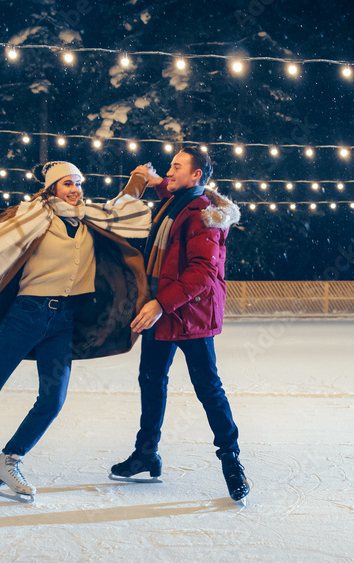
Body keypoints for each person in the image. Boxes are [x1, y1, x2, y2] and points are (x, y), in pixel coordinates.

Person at [0, 161, 155, 498]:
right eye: (67, 183)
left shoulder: (92, 221)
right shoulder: (33, 220)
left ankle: (9, 461)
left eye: (78, 183)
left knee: (52, 401)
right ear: (52, 188)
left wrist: (139, 178)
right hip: (25, 316)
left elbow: (123, 204)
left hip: (63, 322)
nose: (75, 189)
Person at [110, 147, 250, 502]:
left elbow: (202, 273)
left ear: (196, 176)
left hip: (190, 314)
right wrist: (156, 181)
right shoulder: (178, 204)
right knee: (151, 380)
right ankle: (146, 454)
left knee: (208, 388)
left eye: (177, 167)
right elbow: (171, 199)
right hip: (162, 308)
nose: (169, 172)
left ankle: (231, 461)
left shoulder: (203, 215)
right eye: (169, 167)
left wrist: (160, 303)